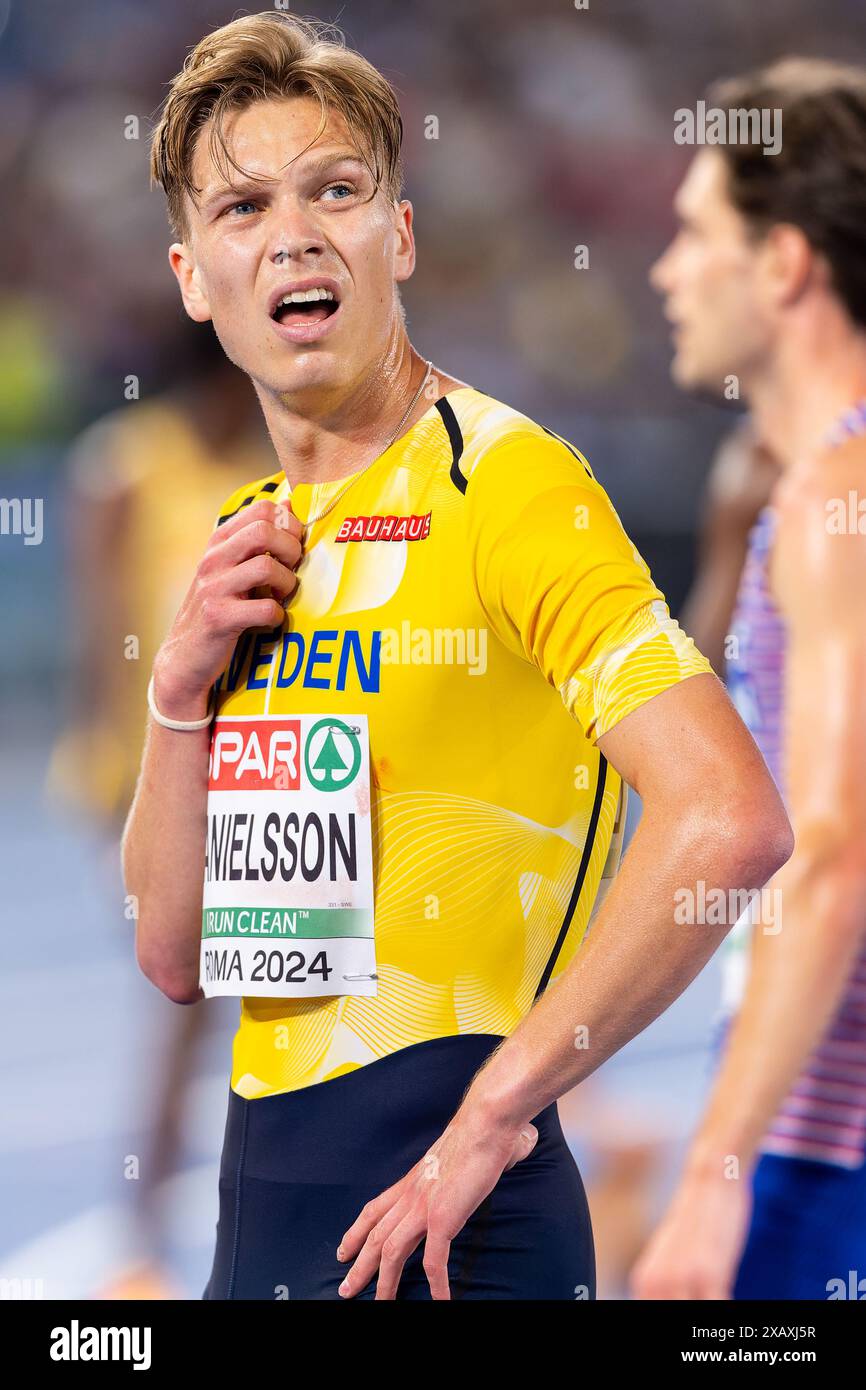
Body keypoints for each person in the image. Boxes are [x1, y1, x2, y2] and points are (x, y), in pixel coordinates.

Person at [122, 12, 791, 1301]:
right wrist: (175, 694)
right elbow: (175, 951)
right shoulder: (242, 538)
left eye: (337, 190)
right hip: (262, 1219)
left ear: (401, 236)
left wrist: (493, 1115)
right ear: (195, 276)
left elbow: (728, 817)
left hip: (455, 1234)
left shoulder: (510, 485)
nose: (295, 233)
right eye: (243, 207)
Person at [634, 58, 866, 1301]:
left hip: (829, 1160)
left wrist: (711, 1174)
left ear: (780, 265)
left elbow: (829, 857)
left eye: (693, 232)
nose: (667, 271)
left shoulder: (836, 503)